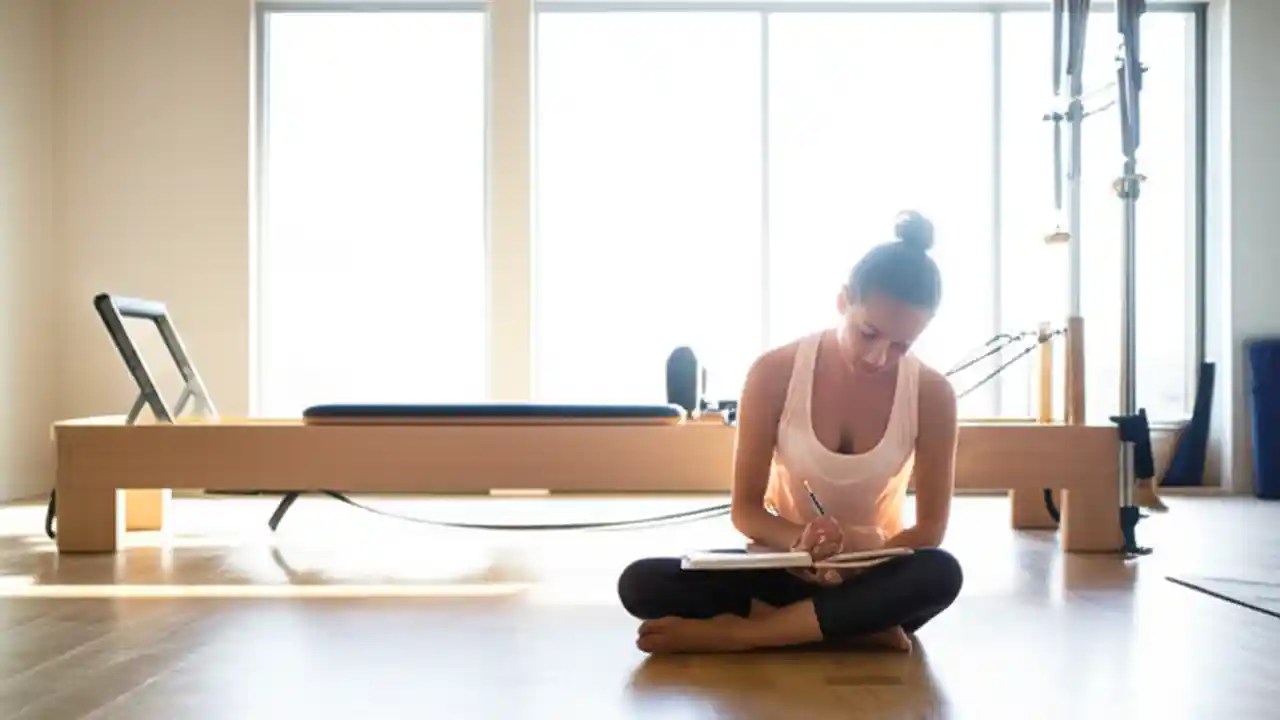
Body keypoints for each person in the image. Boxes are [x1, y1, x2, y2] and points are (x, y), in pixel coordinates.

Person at [617, 210, 963, 654]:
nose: (880, 356)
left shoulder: (933, 394)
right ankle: (851, 627)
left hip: (876, 574)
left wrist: (867, 556)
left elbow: (931, 528)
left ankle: (747, 634)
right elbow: (746, 510)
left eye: (901, 345)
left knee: (939, 573)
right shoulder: (774, 372)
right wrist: (800, 542)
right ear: (842, 302)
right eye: (869, 333)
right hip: (785, 567)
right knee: (642, 583)